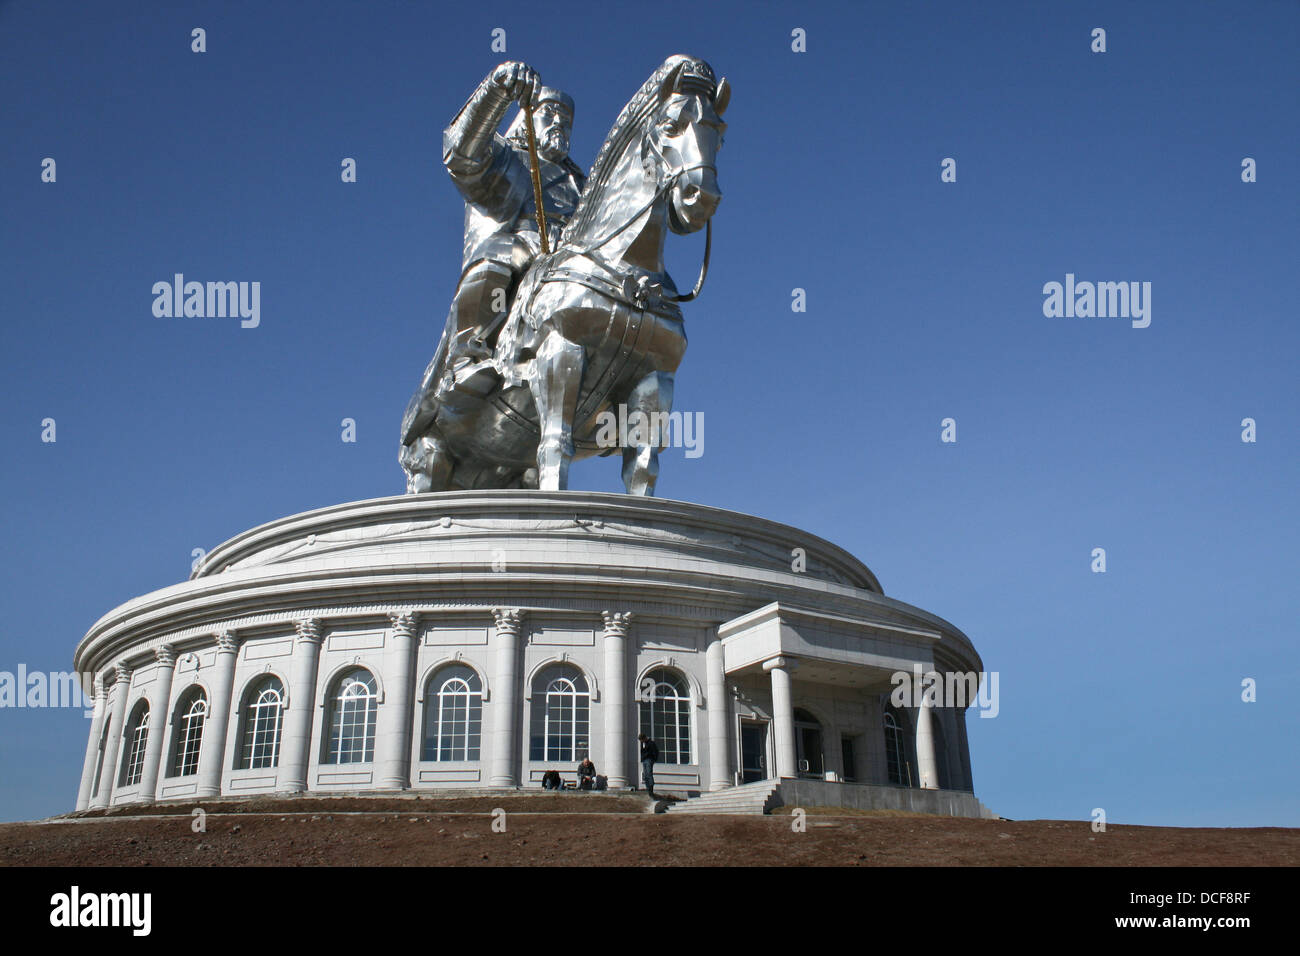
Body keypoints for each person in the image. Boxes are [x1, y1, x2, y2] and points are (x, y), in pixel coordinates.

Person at [638, 733, 659, 798]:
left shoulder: (651, 743)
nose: (641, 742)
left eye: (642, 740)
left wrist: (653, 759)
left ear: (644, 738)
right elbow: (642, 751)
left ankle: (650, 789)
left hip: (649, 759)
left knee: (649, 774)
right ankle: (648, 788)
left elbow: (656, 751)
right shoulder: (644, 744)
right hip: (645, 760)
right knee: (646, 774)